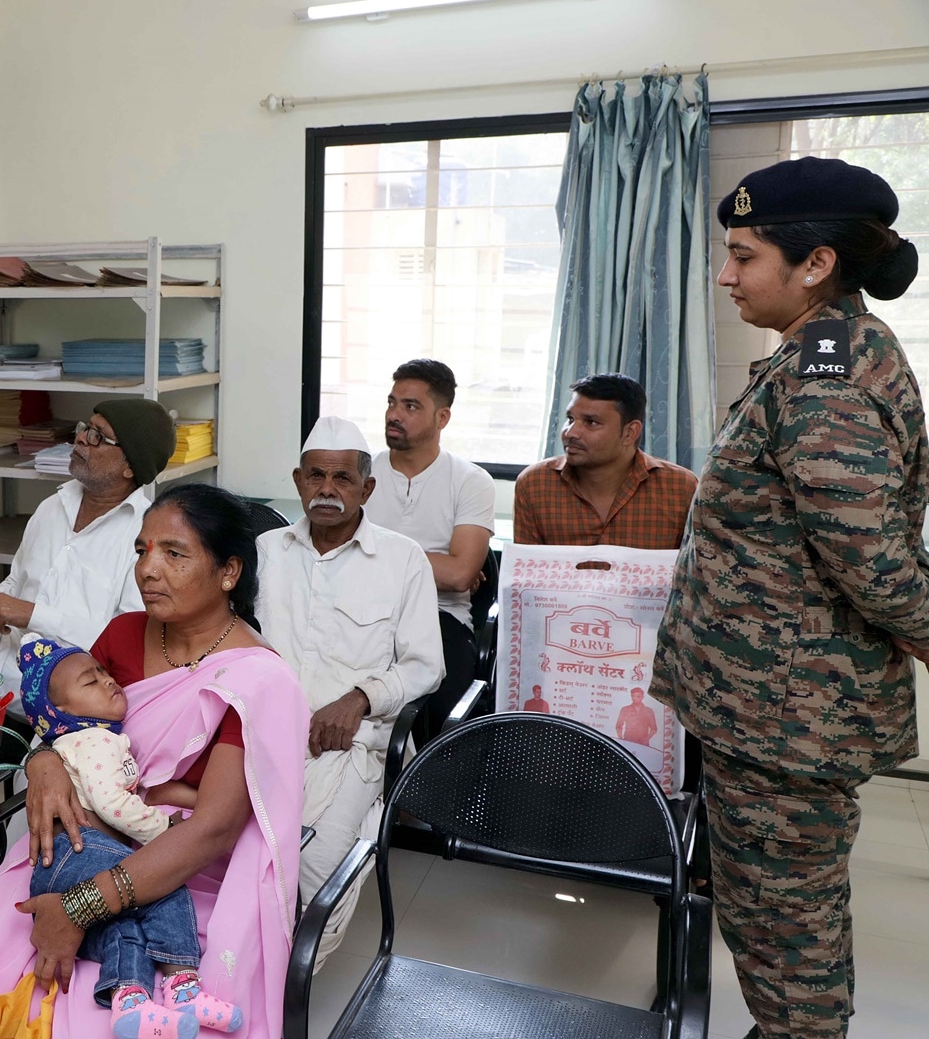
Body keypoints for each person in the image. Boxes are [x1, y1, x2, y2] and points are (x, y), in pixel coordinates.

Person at [651, 156, 929, 1039]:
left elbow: (875, 562)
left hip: (786, 719)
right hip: (768, 706)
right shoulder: (815, 346)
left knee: (785, 937)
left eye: (743, 255)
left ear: (815, 265)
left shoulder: (828, 378)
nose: (726, 276)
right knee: (778, 923)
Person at [0, 484, 310, 1039]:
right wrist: (44, 762)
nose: (148, 570)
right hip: (81, 842)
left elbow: (213, 831)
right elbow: (64, 722)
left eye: (174, 554)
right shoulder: (123, 634)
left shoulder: (259, 680)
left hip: (186, 874)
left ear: (229, 572)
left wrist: (79, 909)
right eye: (142, 550)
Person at [255, 415, 443, 963]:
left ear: (368, 487)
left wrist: (358, 699)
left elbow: (425, 666)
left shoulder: (402, 559)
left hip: (350, 744)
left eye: (342, 478)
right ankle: (236, 971)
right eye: (316, 476)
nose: (328, 490)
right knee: (220, 850)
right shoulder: (265, 551)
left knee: (315, 877)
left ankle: (287, 982)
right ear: (297, 481)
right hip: (260, 735)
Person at [16, 635, 242, 1038]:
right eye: (90, 682)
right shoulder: (96, 740)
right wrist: (163, 830)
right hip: (81, 848)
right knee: (164, 884)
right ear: (61, 710)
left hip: (60, 863)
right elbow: (110, 803)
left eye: (103, 673)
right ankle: (183, 985)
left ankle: (130, 1001)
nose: (106, 681)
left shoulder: (86, 738)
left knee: (121, 926)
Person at [0, 399, 176, 692]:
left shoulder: (144, 537)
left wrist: (34, 615)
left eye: (97, 436)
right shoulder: (53, 506)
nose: (81, 438)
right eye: (85, 428)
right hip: (7, 646)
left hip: (69, 673)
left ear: (130, 466)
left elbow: (127, 643)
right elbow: (16, 582)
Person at [363, 359, 495, 746]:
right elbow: (336, 554)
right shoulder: (360, 473)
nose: (394, 414)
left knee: (440, 717)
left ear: (443, 417)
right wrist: (435, 563)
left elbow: (458, 576)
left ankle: (425, 803)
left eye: (410, 406)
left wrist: (372, 550)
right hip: (364, 612)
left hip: (440, 617)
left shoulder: (471, 481)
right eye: (391, 403)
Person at [513, 373, 698, 550]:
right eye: (570, 419)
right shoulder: (535, 484)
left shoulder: (681, 488)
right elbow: (523, 576)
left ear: (630, 432)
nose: (570, 432)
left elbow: (694, 574)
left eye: (591, 422)